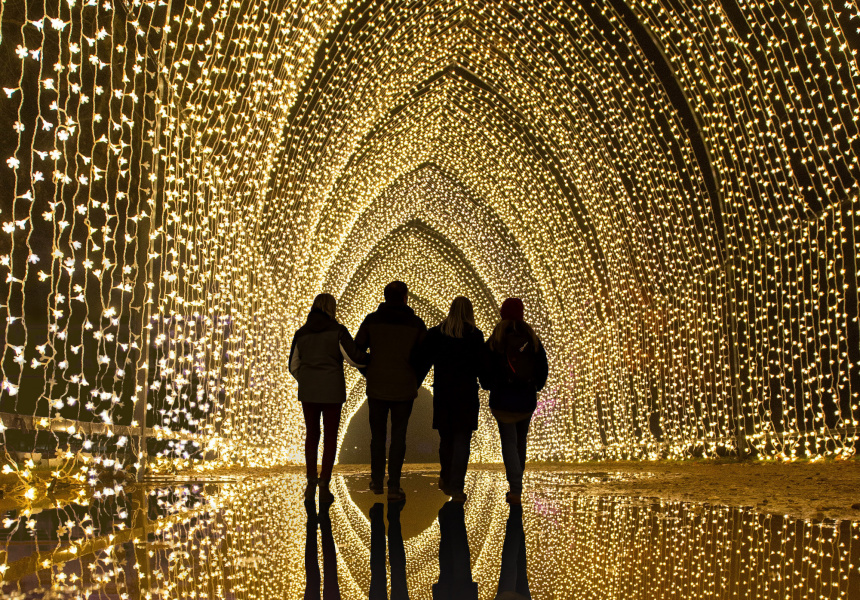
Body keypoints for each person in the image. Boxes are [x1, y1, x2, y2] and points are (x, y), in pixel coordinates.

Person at [289, 293, 367, 503]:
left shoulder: (301, 333)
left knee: (312, 434)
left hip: (309, 392)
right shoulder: (338, 331)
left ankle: (311, 479)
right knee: (330, 436)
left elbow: (293, 365)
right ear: (331, 308)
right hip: (332, 391)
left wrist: (307, 380)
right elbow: (354, 358)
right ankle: (324, 481)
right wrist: (374, 360)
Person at [355, 280, 427, 503]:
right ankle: (394, 485)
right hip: (404, 387)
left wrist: (369, 371)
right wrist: (414, 379)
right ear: (405, 298)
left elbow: (357, 350)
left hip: (377, 386)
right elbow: (424, 357)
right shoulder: (416, 324)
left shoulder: (372, 320)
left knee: (377, 435)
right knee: (398, 436)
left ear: (385, 297)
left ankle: (377, 481)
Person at [415, 296, 485, 503]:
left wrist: (413, 383)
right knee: (462, 440)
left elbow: (423, 360)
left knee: (446, 439)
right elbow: (481, 366)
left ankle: (446, 477)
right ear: (470, 312)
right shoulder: (475, 335)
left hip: (444, 393)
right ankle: (457, 485)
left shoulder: (437, 334)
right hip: (466, 395)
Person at [483, 298, 548, 505]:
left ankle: (516, 488)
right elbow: (543, 366)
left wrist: (489, 384)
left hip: (502, 400)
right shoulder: (531, 337)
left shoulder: (496, 337)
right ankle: (517, 486)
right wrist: (535, 386)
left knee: (509, 442)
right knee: (520, 441)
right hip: (526, 399)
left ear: (502, 313)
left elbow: (485, 366)